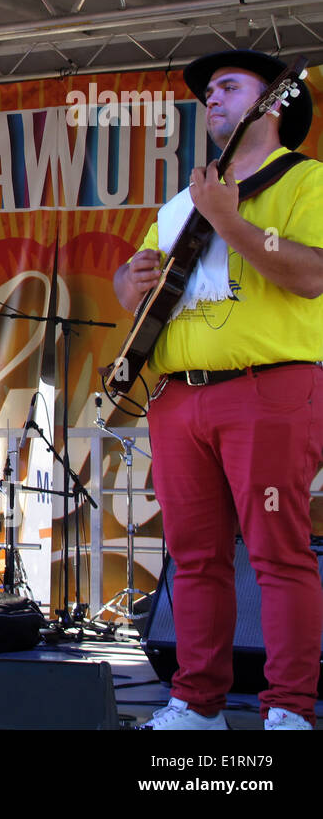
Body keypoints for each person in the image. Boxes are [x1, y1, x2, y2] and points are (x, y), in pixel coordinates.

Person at [113, 49, 323, 731]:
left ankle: (289, 708)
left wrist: (230, 221)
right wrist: (129, 282)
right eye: (207, 92)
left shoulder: (308, 182)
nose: (213, 98)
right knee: (195, 557)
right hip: (180, 396)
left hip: (268, 387)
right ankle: (194, 702)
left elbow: (312, 274)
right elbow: (132, 287)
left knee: (277, 552)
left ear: (275, 104)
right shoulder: (183, 203)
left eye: (229, 86)